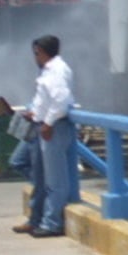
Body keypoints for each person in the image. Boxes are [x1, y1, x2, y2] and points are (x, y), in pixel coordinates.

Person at [24, 34, 76, 237]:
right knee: (40, 173)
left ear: (41, 52)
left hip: (52, 128)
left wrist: (48, 122)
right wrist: (35, 113)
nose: (34, 57)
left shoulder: (56, 71)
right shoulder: (50, 70)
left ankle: (51, 223)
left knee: (56, 181)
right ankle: (42, 217)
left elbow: (61, 99)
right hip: (43, 124)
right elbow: (48, 99)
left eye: (35, 53)